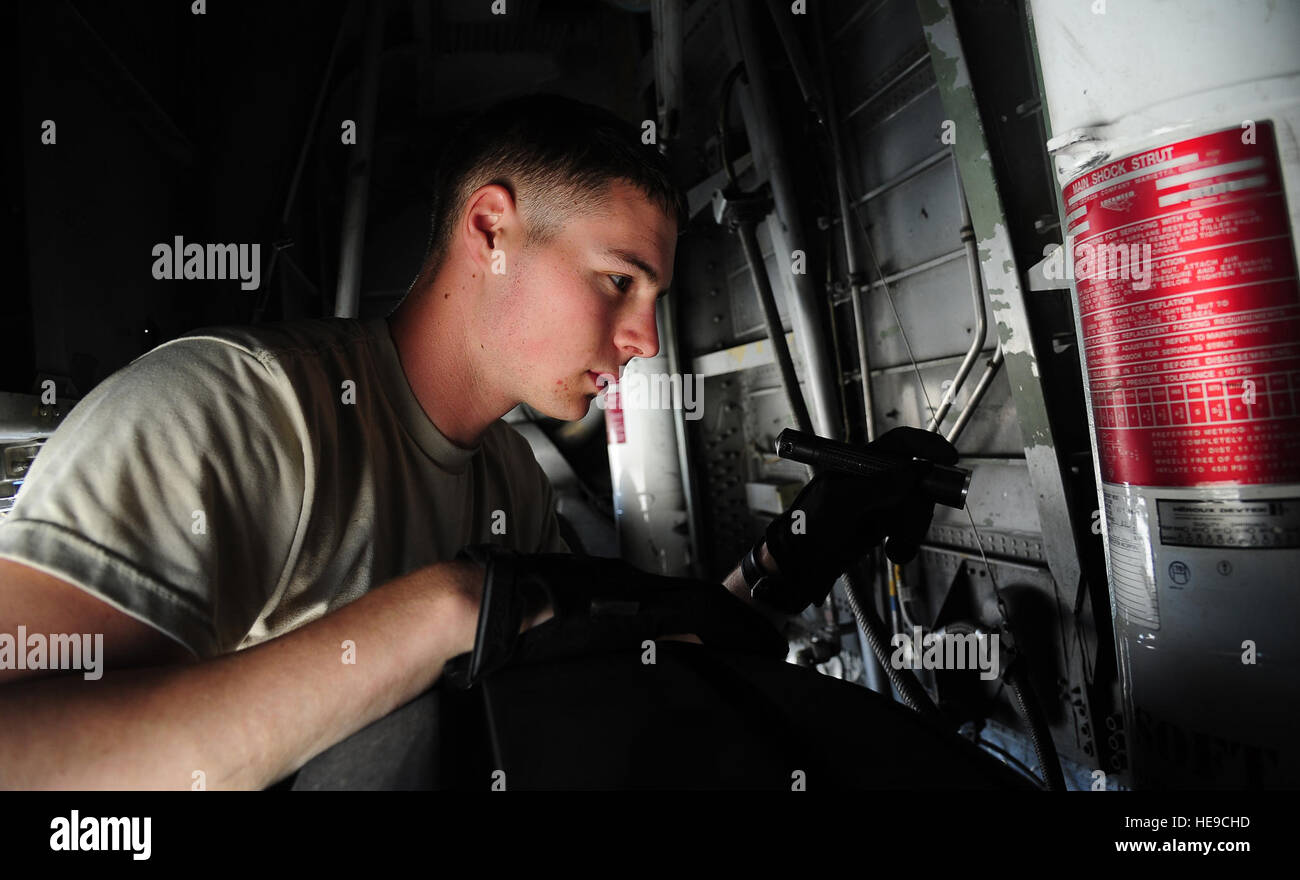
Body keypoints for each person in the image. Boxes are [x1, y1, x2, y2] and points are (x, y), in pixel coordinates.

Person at [0, 93, 950, 790]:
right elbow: (25, 755)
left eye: (654, 300)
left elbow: (597, 673)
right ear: (491, 229)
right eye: (620, 281)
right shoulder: (233, 411)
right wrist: (443, 611)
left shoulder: (510, 480)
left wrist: (803, 544)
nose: (645, 338)